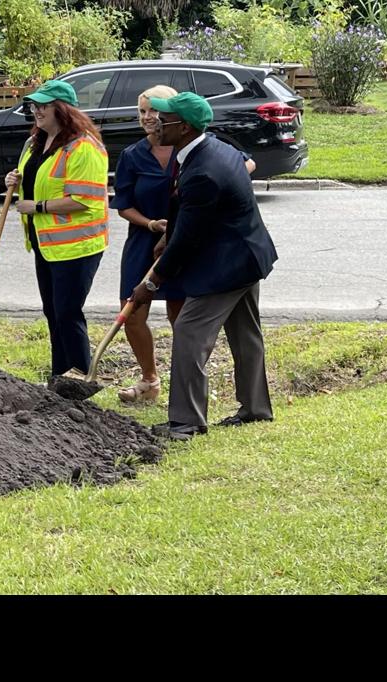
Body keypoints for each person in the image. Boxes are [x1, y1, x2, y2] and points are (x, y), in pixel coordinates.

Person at [125, 93, 278, 440]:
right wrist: (168, 236)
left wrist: (151, 285)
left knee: (190, 333)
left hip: (228, 263)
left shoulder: (204, 170)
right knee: (245, 334)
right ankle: (255, 409)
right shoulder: (207, 149)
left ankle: (186, 422)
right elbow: (184, 208)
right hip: (244, 253)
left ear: (185, 126)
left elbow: (189, 241)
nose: (156, 123)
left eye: (164, 118)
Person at [0, 79, 109, 380]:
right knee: (53, 311)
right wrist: (17, 179)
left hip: (76, 246)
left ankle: (80, 378)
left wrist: (38, 207)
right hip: (45, 242)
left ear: (63, 110)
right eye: (35, 105)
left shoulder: (83, 147)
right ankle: (60, 375)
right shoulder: (37, 141)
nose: (37, 111)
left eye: (43, 106)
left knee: (68, 312)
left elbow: (83, 199)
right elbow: (35, 175)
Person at [106, 84, 186, 403]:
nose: (148, 117)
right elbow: (123, 204)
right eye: (142, 111)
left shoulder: (187, 149)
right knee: (133, 311)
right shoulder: (132, 155)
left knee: (179, 314)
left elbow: (244, 164)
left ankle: (185, 380)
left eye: (153, 110)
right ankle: (150, 381)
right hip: (142, 243)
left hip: (182, 243)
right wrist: (151, 224)